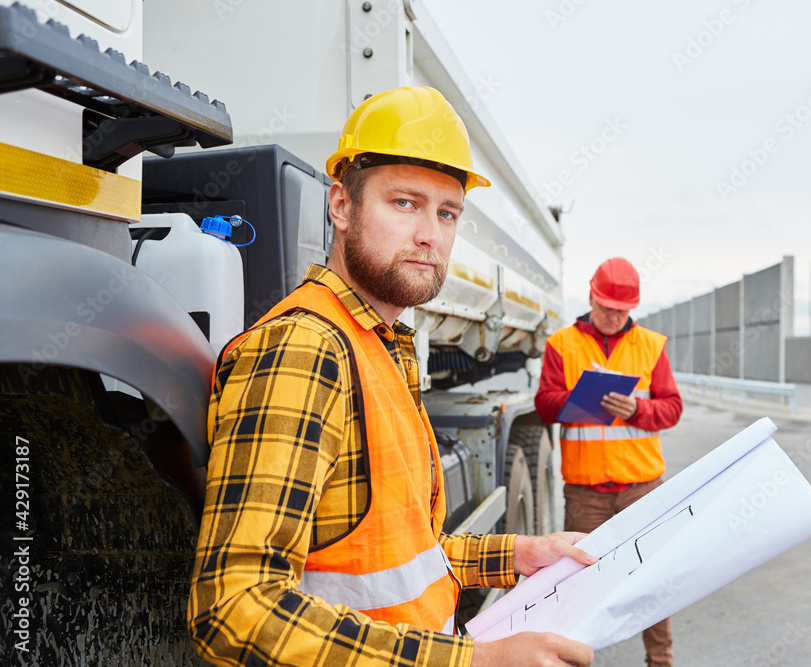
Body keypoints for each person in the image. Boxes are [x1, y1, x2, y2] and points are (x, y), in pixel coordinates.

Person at [188, 86, 596, 667]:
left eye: (447, 212)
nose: (430, 233)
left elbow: (401, 557)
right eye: (404, 203)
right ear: (341, 206)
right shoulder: (304, 350)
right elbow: (235, 610)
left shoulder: (377, 344)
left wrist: (522, 554)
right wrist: (476, 662)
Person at [534, 257, 684, 667]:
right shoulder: (561, 344)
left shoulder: (652, 345)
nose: (614, 317)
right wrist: (578, 400)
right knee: (580, 588)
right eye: (606, 309)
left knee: (651, 580)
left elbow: (671, 409)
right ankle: (573, 661)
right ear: (590, 298)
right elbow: (544, 405)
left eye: (622, 311)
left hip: (641, 488)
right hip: (585, 493)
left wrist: (636, 409)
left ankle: (661, 662)